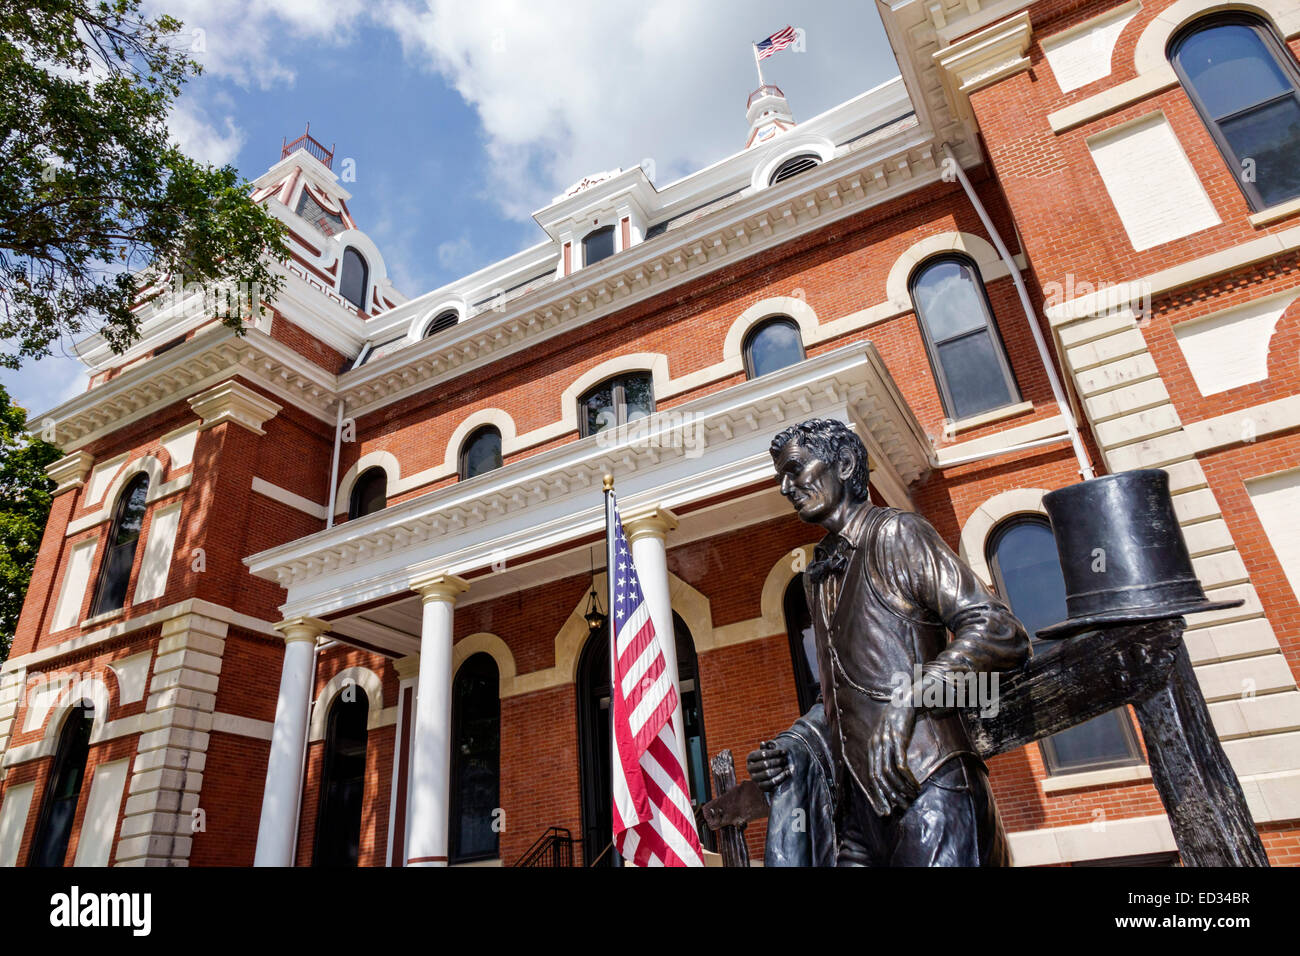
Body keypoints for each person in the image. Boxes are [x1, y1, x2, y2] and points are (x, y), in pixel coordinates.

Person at [750, 418, 1028, 866]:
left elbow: (999, 631)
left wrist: (909, 698)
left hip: (928, 791)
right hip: (859, 813)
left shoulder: (898, 534)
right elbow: (845, 694)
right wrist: (792, 745)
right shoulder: (817, 576)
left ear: (842, 464)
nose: (786, 486)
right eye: (781, 476)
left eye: (795, 469)